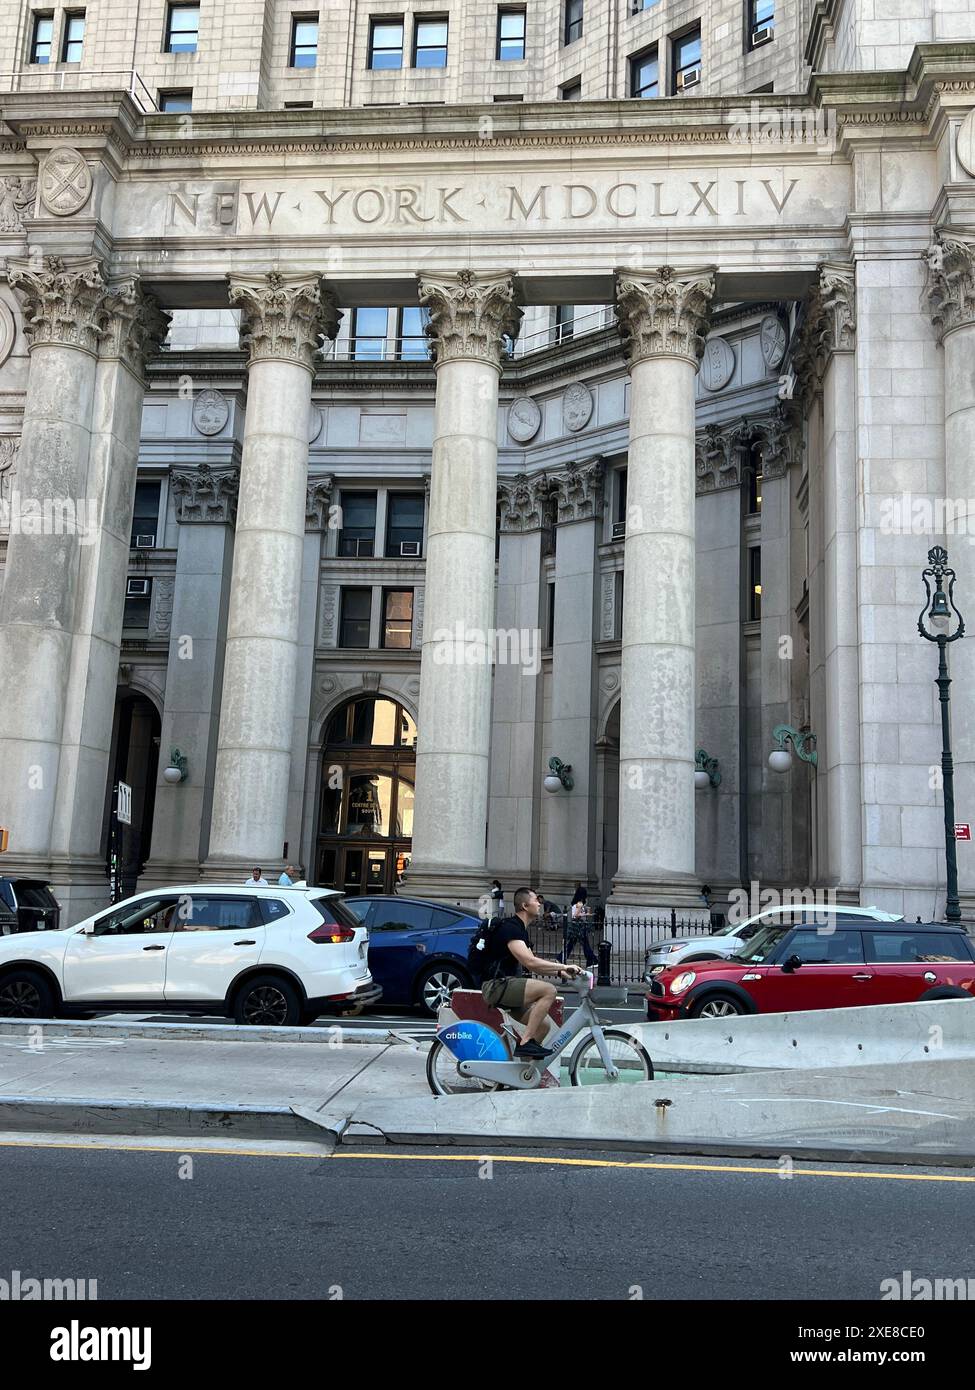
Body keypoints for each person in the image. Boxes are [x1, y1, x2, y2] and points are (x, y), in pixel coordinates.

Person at [480, 886, 579, 1060]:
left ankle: (522, 1072)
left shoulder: (520, 930)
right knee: (549, 990)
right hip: (497, 986)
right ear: (525, 906)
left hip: (507, 985)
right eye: (535, 900)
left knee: (544, 1025)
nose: (540, 904)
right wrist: (563, 966)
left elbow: (534, 964)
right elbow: (530, 962)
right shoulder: (511, 928)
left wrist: (560, 973)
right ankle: (525, 1043)